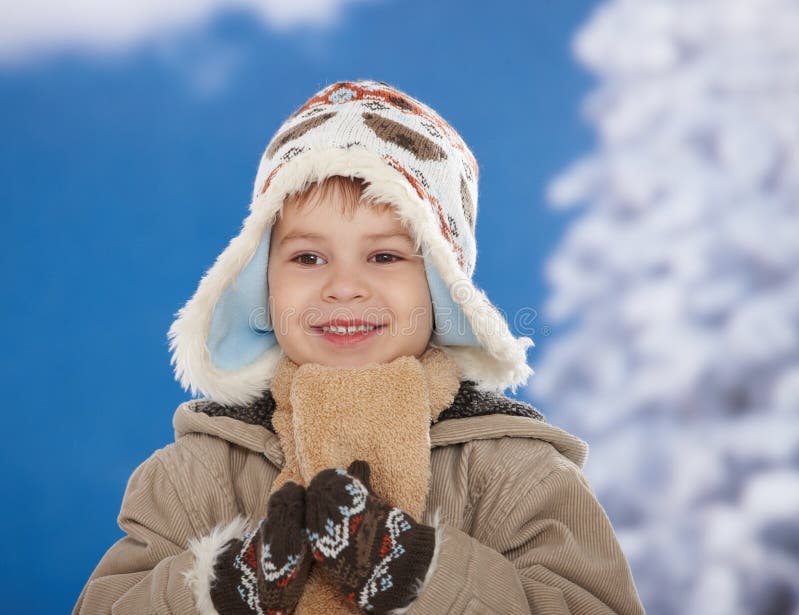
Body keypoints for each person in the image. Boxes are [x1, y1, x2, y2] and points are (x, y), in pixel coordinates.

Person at [73, 80, 646, 614]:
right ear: (260, 283)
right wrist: (220, 587)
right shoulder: (197, 475)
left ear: (443, 288)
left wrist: (423, 572)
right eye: (308, 258)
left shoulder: (515, 473)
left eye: (384, 257)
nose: (343, 286)